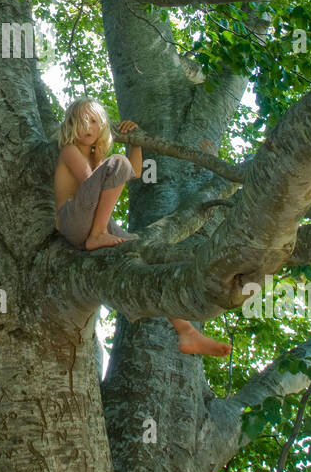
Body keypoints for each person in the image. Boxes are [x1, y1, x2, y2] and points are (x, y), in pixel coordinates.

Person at [54, 97, 232, 359]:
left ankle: (186, 331)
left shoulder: (96, 155)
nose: (87, 127)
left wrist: (134, 141)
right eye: (80, 122)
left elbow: (134, 171)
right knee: (117, 164)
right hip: (73, 220)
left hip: (94, 222)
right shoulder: (70, 151)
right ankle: (97, 236)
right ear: (70, 125)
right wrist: (114, 163)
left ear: (101, 125)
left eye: (93, 121)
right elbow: (93, 179)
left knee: (143, 253)